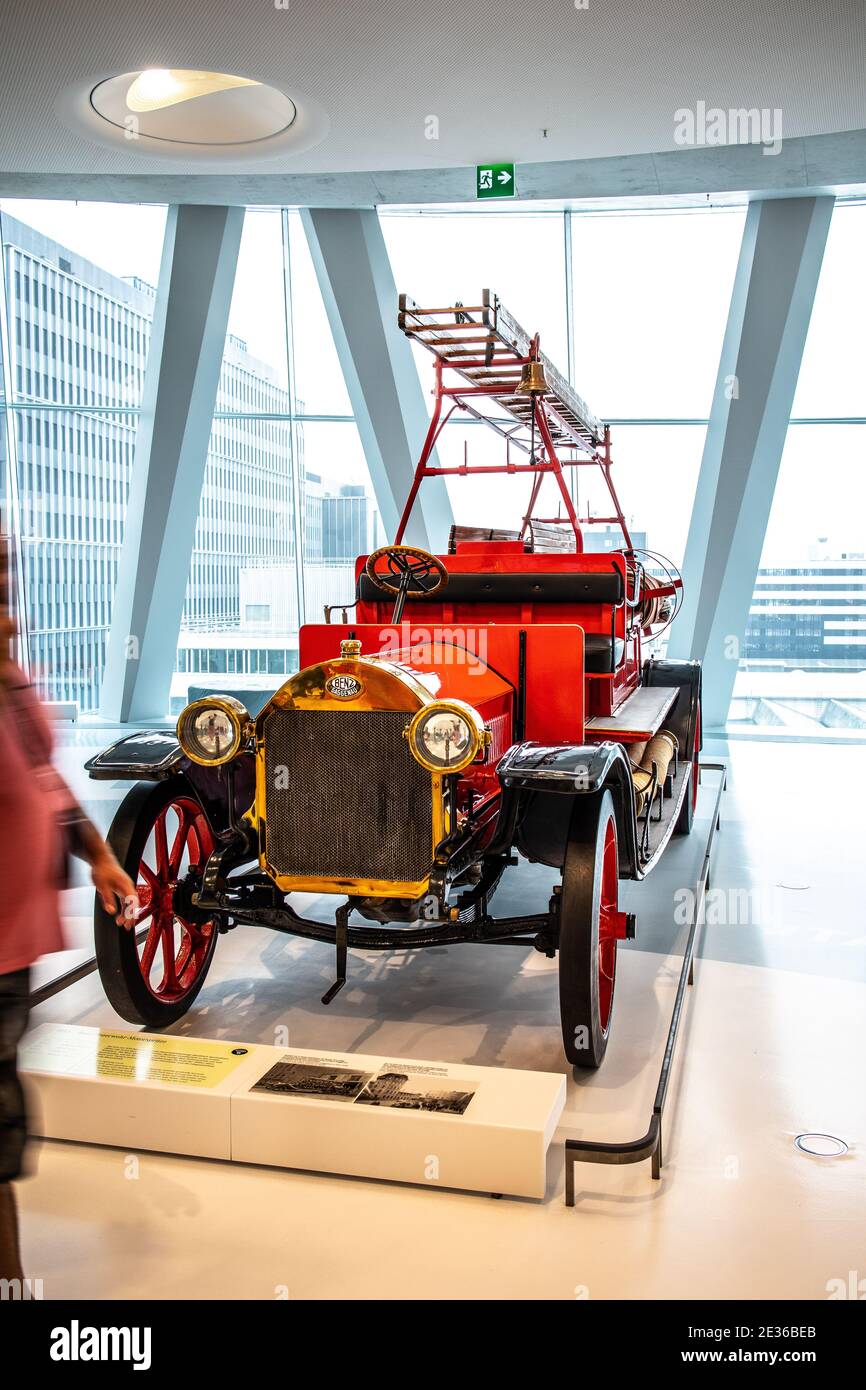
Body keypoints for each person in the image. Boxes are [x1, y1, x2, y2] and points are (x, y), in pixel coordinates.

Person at [0, 537, 135, 1285]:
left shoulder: (11, 677)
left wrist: (101, 855)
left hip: (15, 948)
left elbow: (42, 775)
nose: (8, 609)